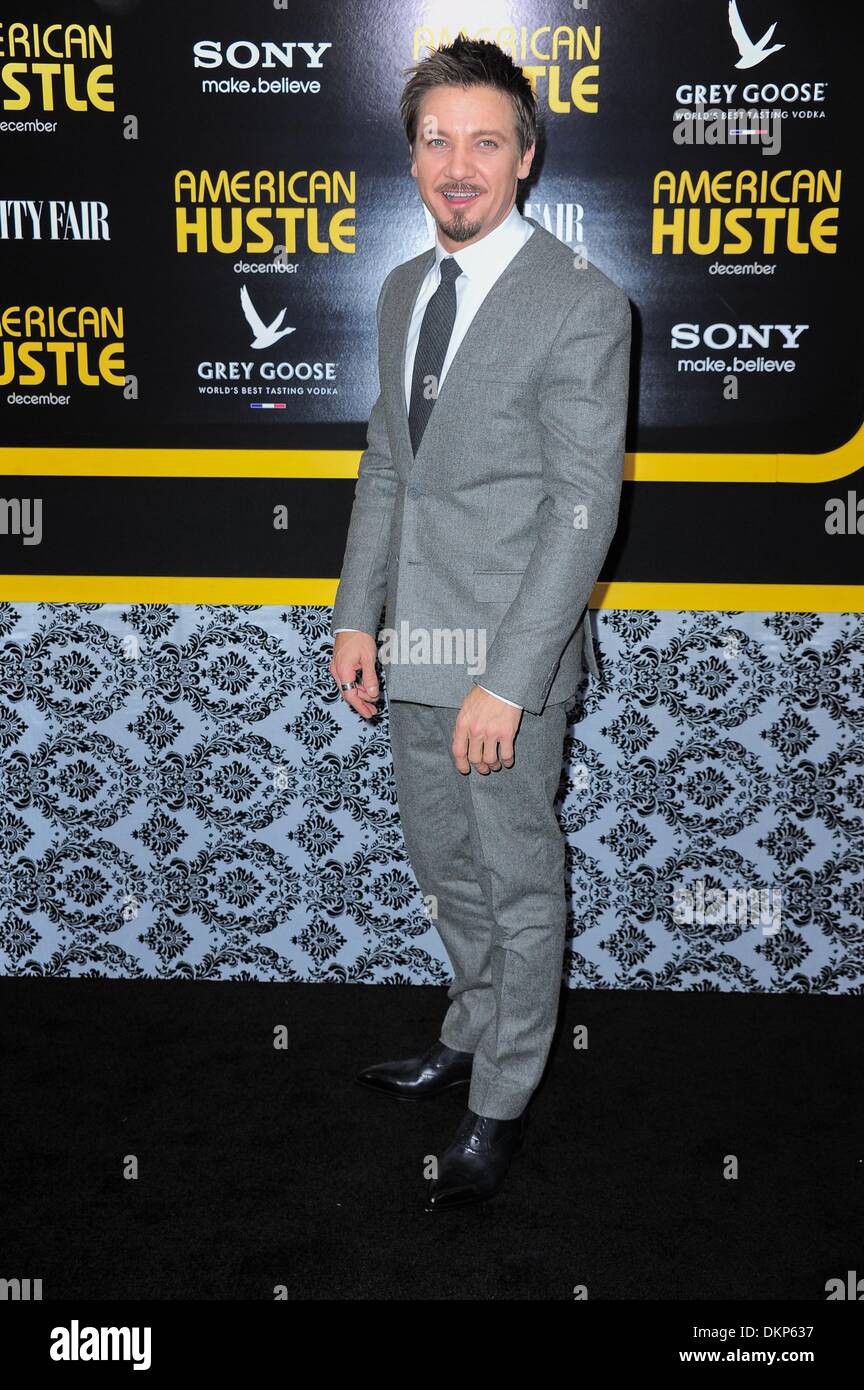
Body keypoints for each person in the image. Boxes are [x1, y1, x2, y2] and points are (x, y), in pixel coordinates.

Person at [329, 33, 631, 1211]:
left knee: (516, 880)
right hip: (415, 648)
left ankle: (499, 1099)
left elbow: (581, 505)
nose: (460, 164)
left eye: (485, 141)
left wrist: (509, 679)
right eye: (437, 139)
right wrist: (360, 617)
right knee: (446, 870)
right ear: (412, 157)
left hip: (509, 657)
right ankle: (464, 1029)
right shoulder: (406, 287)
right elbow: (388, 470)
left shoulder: (582, 303)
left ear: (526, 156)